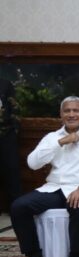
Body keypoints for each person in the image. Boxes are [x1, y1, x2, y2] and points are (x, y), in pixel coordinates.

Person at [9, 97, 79, 257]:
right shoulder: (52, 137)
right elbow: (33, 163)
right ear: (61, 115)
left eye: (76, 110)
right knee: (19, 207)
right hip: (55, 188)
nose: (71, 114)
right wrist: (60, 142)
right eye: (67, 111)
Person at [0, 77, 21, 212]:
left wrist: (14, 131)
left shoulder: (5, 84)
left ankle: (15, 209)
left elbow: (15, 108)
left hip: (6, 134)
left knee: (11, 171)